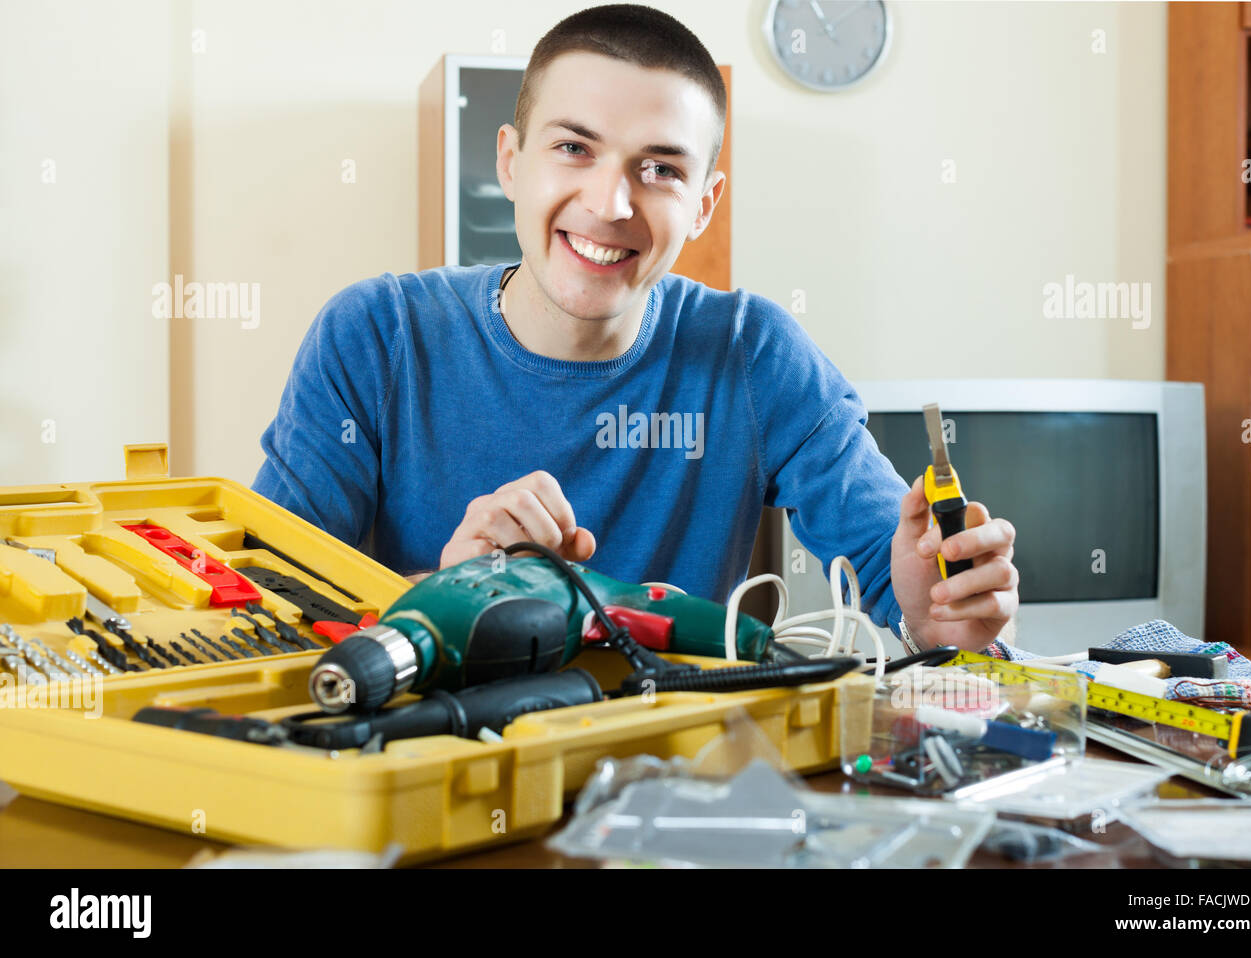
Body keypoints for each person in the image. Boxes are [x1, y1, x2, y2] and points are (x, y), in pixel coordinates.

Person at [252, 3, 1019, 653]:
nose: (612, 202)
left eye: (660, 169)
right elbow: (267, 606)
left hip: (669, 794)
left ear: (704, 205)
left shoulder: (755, 355)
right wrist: (445, 596)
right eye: (573, 148)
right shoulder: (375, 337)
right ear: (511, 163)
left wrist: (935, 611)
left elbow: (909, 591)